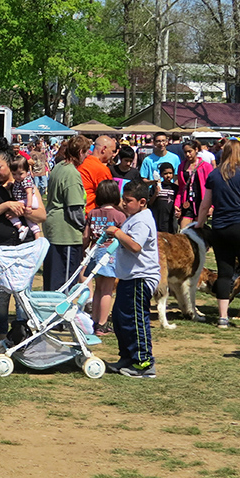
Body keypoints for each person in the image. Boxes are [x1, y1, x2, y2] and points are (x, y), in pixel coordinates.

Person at [0, 142, 46, 340]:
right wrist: (6, 205)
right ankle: (1, 331)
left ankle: (21, 332)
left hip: (24, 247)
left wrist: (26, 211)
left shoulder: (27, 184)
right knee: (1, 294)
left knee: (23, 293)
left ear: (9, 165)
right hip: (0, 248)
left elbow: (42, 215)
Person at [105, 180, 160, 378]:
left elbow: (136, 246)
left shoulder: (143, 219)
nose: (124, 203)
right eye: (124, 199)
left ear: (142, 201)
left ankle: (144, 363)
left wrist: (118, 233)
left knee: (135, 320)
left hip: (141, 277)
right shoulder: (133, 216)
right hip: (128, 276)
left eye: (128, 200)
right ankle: (127, 357)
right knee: (121, 319)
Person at [195, 140, 240, 328]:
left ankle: (223, 317)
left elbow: (205, 204)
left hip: (221, 228)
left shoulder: (214, 175)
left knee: (224, 274)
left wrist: (199, 224)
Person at [43, 135, 91, 291]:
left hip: (53, 229)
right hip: (66, 234)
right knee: (64, 281)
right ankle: (58, 314)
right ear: (80, 152)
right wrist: (84, 227)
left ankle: (50, 311)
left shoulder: (59, 167)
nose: (87, 156)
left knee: (53, 278)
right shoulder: (71, 173)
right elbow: (74, 209)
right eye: (86, 152)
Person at [83, 180, 126, 336]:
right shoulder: (119, 215)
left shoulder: (93, 213)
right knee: (107, 290)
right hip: (110, 253)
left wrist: (83, 250)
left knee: (98, 288)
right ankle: (102, 324)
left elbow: (86, 236)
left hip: (95, 251)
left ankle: (93, 322)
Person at [174, 140, 213, 229]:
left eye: (189, 151)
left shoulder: (206, 166)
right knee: (184, 230)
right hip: (187, 203)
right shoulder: (181, 166)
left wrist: (211, 206)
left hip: (201, 202)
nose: (188, 155)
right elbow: (181, 187)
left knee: (198, 231)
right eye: (185, 152)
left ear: (196, 150)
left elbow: (212, 187)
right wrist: (177, 203)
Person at [77, 135, 115, 214]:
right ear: (104, 149)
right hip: (90, 214)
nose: (113, 155)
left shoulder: (82, 162)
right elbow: (110, 197)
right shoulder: (101, 169)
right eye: (112, 151)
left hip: (78, 211)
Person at [10, 155, 41, 240]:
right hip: (25, 200)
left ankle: (20, 227)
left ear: (27, 171)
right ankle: (37, 236)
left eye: (20, 174)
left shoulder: (26, 180)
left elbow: (29, 193)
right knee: (30, 222)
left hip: (29, 200)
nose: (17, 176)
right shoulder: (19, 181)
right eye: (14, 174)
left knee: (11, 211)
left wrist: (29, 206)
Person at [148, 162, 178, 233]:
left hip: (170, 220)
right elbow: (149, 203)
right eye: (165, 173)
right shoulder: (156, 186)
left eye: (170, 173)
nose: (168, 175)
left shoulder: (175, 188)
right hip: (158, 219)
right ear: (161, 174)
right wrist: (156, 193)